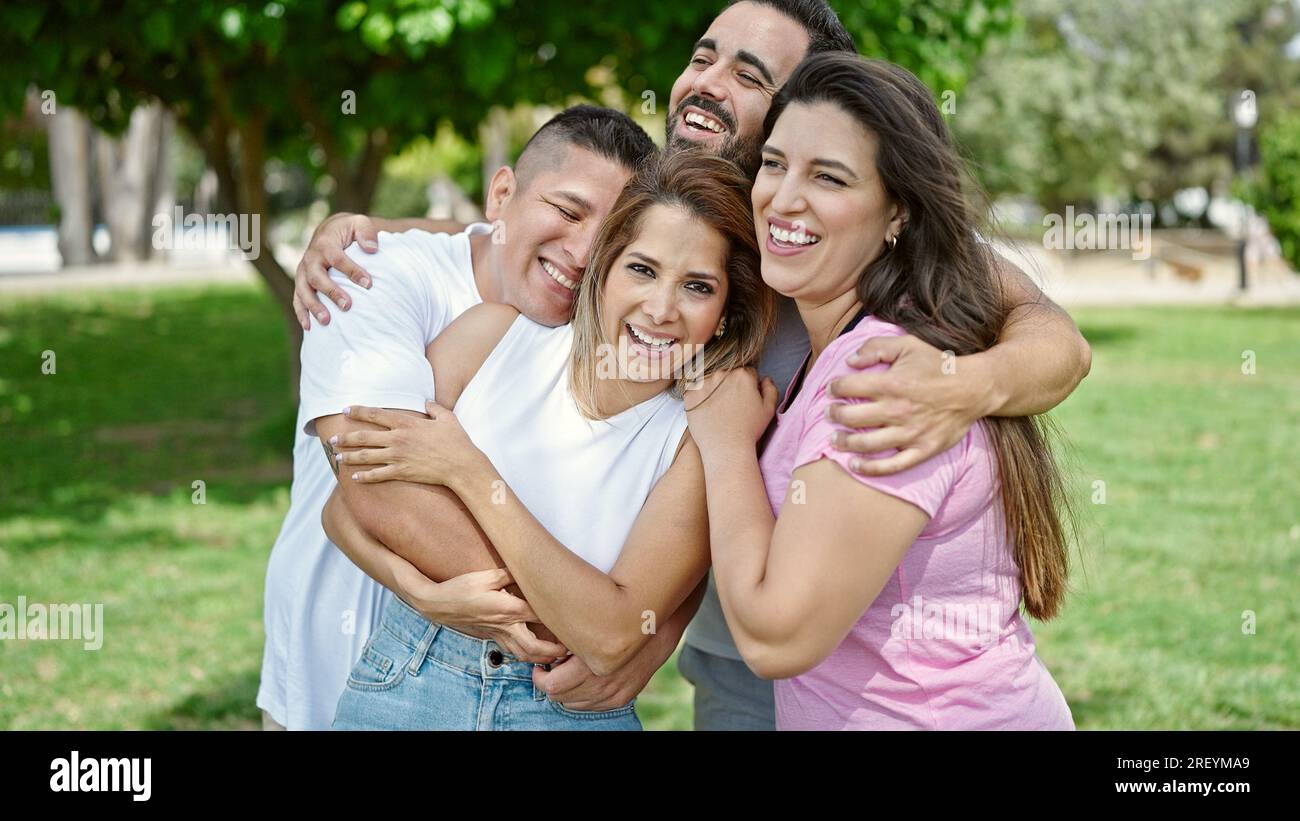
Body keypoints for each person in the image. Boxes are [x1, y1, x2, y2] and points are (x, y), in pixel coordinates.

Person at [288, 0, 1092, 731]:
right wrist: (371, 228)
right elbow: (537, 225)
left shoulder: (852, 274)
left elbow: (1059, 340)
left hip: (848, 676)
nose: (707, 83)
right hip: (736, 672)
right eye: (704, 56)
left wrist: (965, 386)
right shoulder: (676, 227)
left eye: (749, 74)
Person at [685, 51, 1075, 730]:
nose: (784, 197)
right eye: (774, 164)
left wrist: (723, 444)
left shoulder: (879, 374)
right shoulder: (865, 340)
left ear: (897, 213)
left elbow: (779, 636)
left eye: (828, 177)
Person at [325, 150, 773, 729]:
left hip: (565, 709)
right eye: (642, 269)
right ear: (604, 270)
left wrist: (469, 470)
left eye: (697, 286)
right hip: (411, 672)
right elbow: (349, 502)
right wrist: (419, 591)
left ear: (725, 312)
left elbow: (612, 637)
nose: (661, 309)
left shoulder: (697, 438)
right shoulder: (490, 339)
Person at [255, 106, 667, 730]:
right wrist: (588, 621)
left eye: (609, 235)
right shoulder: (369, 274)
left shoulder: (614, 334)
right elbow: (379, 487)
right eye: (567, 210)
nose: (583, 252)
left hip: (518, 689)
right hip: (339, 653)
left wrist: (638, 631)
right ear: (503, 193)